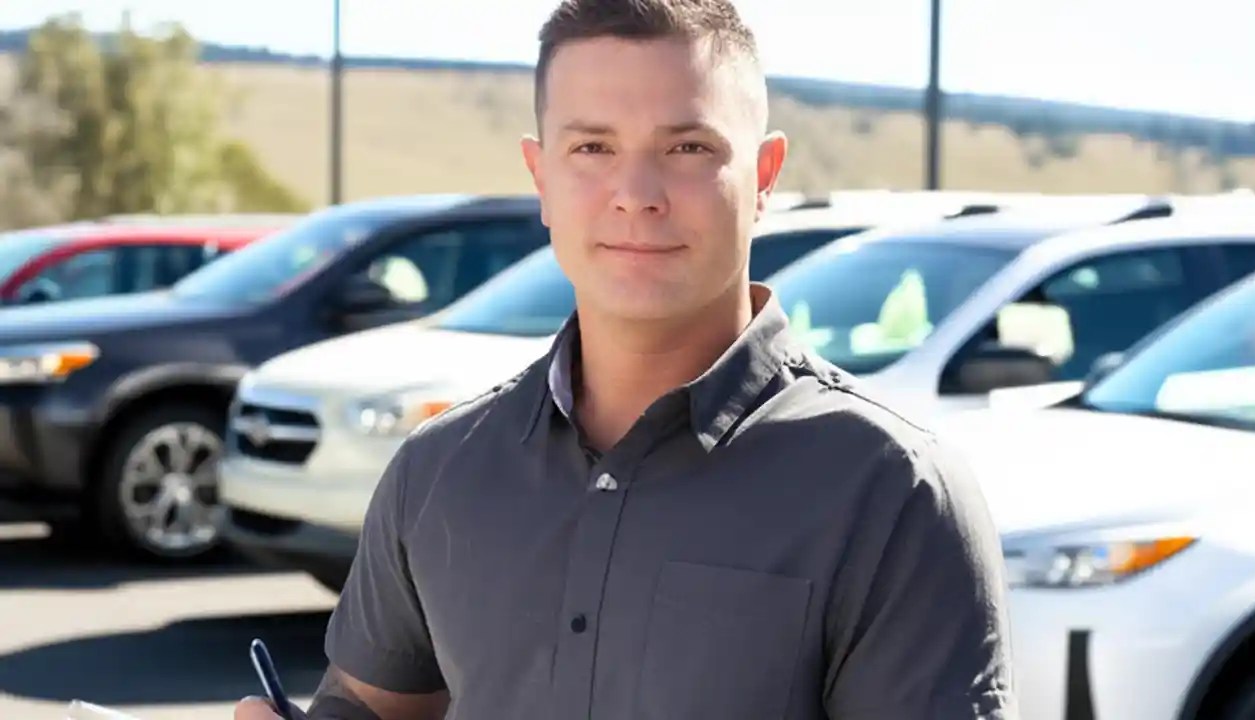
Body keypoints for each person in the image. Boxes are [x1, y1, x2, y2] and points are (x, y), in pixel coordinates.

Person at [235, 0, 1017, 717]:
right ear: (541, 178)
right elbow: (372, 706)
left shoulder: (894, 493)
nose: (636, 192)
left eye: (686, 146)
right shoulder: (438, 470)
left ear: (765, 177)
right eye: (592, 147)